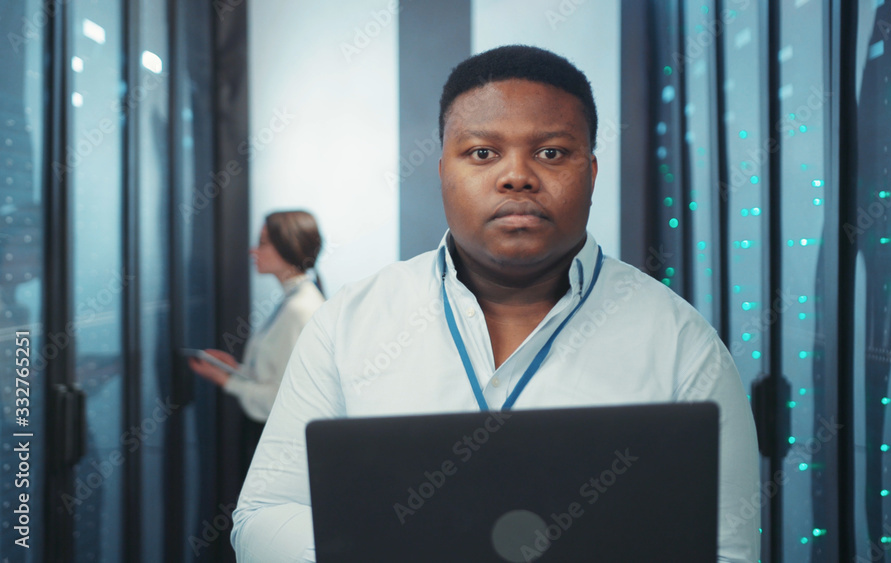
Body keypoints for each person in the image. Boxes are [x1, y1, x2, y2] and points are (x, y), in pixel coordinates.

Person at [231, 46, 760, 562]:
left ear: (592, 173)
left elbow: (726, 549)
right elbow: (265, 513)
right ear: (442, 171)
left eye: (551, 152)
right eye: (482, 152)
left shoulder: (680, 343)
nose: (517, 176)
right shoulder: (347, 324)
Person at [188, 210, 327, 428]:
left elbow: (283, 398)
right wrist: (237, 370)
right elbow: (273, 377)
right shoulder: (292, 301)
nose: (253, 250)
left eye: (262, 243)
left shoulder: (299, 309)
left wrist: (228, 381)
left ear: (288, 246)